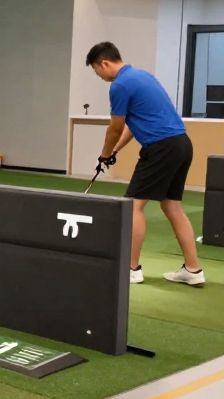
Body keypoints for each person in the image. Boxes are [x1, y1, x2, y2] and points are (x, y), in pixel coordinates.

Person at [86, 42, 204, 287]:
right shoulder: (143, 77)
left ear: (104, 63)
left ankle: (132, 268)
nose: (99, 76)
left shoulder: (119, 85)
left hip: (161, 147)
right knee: (172, 206)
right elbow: (132, 123)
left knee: (133, 206)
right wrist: (115, 151)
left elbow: (115, 127)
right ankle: (193, 269)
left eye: (97, 71)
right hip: (182, 144)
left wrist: (103, 154)